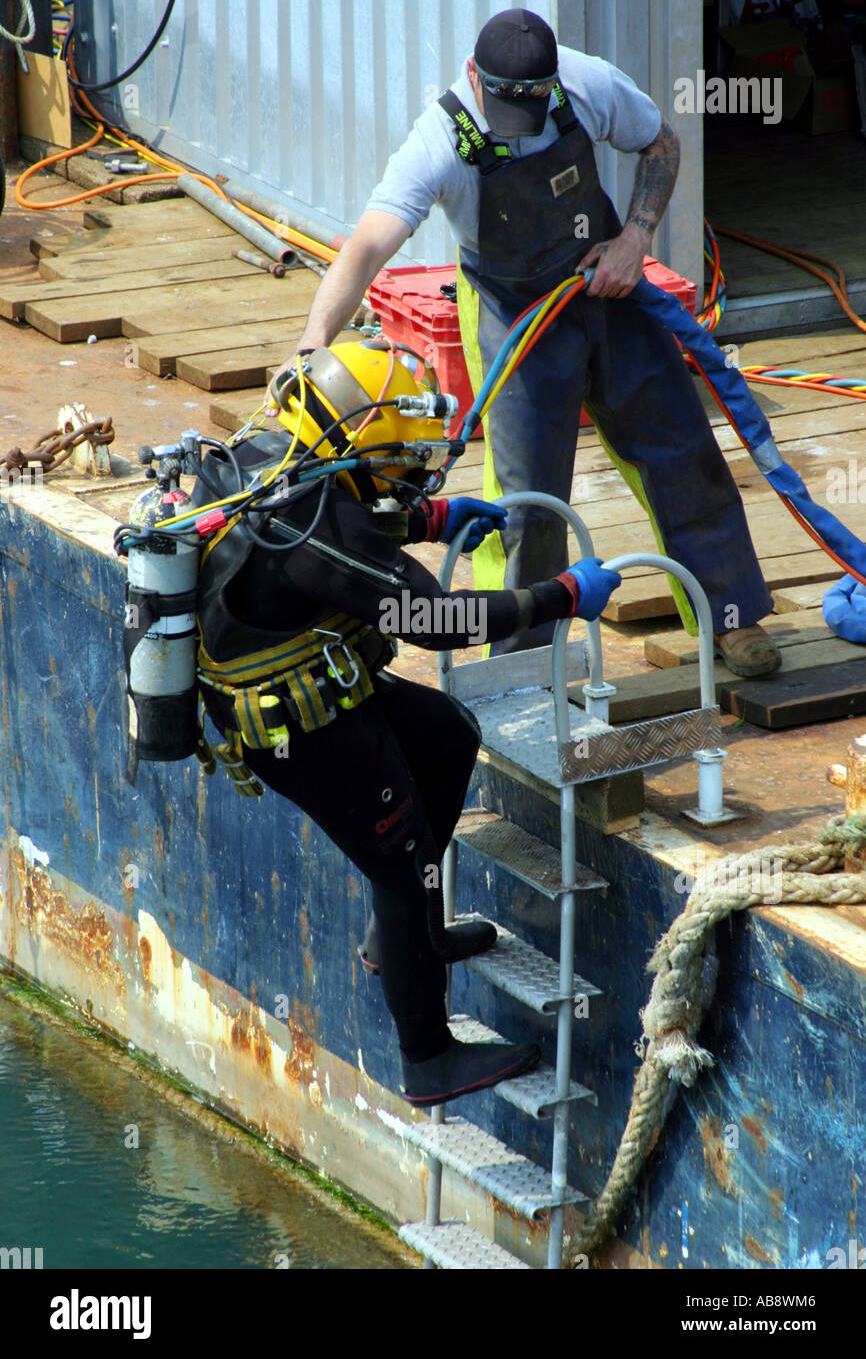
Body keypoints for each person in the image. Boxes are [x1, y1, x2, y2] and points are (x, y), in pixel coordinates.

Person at [268, 7, 781, 678]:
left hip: (607, 286)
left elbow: (661, 142)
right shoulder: (438, 143)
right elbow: (365, 249)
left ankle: (730, 615)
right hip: (514, 313)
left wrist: (635, 238)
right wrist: (311, 345)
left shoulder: (587, 83)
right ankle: (524, 665)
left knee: (682, 448)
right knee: (528, 500)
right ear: (474, 77)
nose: (524, 126)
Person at [194, 340, 623, 1107]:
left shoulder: (268, 452)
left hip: (305, 694)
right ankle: (427, 1057)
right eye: (397, 461)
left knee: (446, 738)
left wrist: (432, 518)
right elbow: (437, 620)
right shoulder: (316, 531)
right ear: (356, 443)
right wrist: (560, 594)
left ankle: (405, 940)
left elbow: (349, 504)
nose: (409, 473)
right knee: (404, 864)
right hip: (302, 732)